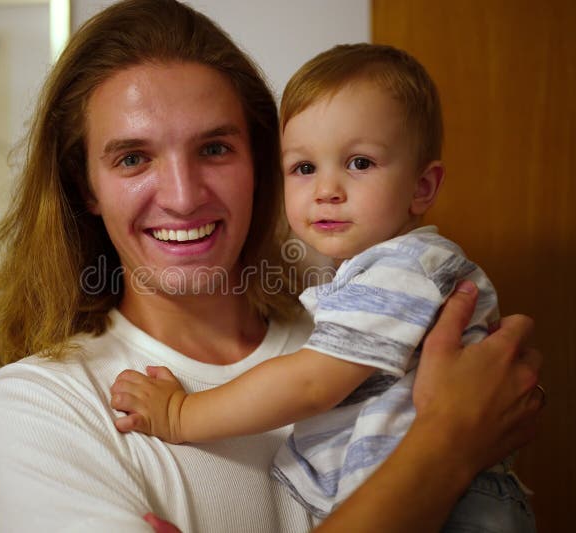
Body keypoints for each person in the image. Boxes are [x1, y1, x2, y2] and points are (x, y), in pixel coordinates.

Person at [0, 1, 543, 532]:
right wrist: (448, 444)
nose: (182, 195)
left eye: (215, 148)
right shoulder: (42, 407)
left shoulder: (348, 329)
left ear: (259, 162)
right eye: (133, 157)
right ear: (84, 185)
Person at [110, 43, 536, 531]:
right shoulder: (365, 275)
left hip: (459, 507)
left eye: (359, 163)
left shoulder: (409, 269)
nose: (327, 189)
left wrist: (180, 414)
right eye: (304, 168)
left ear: (422, 188)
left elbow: (312, 383)